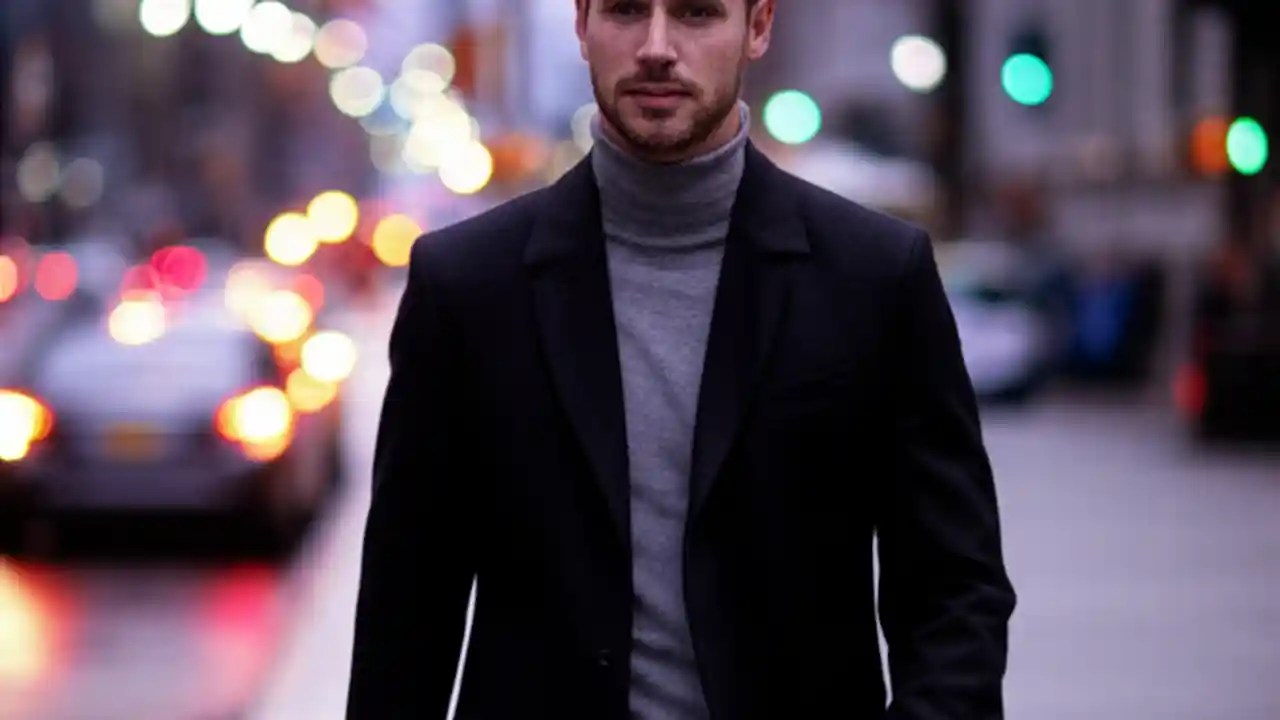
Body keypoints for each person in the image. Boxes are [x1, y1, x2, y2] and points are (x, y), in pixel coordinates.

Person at [346, 1, 1016, 718]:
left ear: (758, 26)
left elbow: (954, 591)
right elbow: (405, 616)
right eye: (627, 11)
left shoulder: (875, 278)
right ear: (582, 24)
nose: (657, 47)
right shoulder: (467, 288)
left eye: (697, 13)